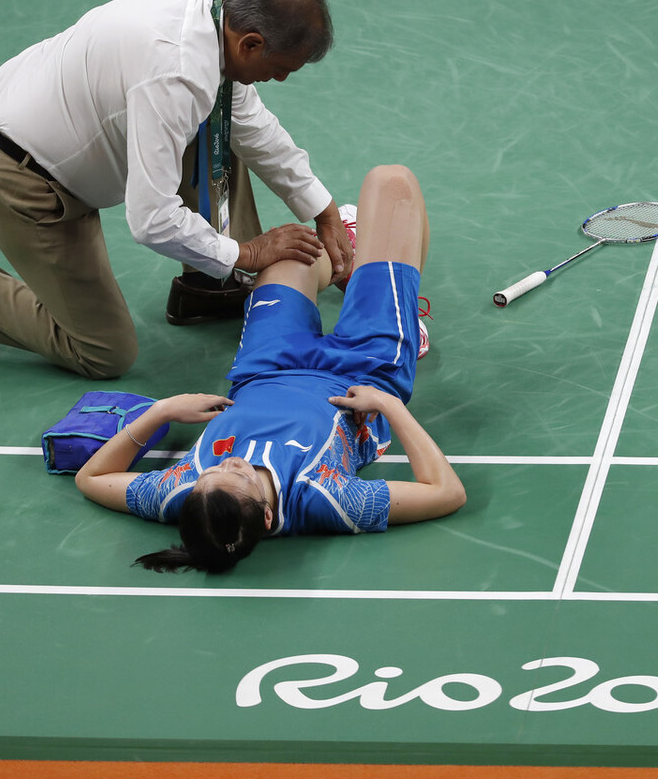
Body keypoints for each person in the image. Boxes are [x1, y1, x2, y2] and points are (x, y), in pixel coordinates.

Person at [0, 0, 354, 379]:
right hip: (18, 173)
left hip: (30, 111)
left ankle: (210, 286)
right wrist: (247, 253)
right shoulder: (175, 74)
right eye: (281, 68)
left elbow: (251, 124)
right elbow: (151, 220)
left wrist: (324, 212)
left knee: (219, 124)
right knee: (103, 351)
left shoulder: (214, 18)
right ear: (251, 43)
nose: (281, 79)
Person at [74, 165, 465, 573]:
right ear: (266, 517)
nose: (228, 463)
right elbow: (446, 492)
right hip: (362, 371)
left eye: (211, 471)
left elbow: (91, 479)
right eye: (239, 475)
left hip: (265, 365)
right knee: (392, 182)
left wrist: (162, 411)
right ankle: (398, 310)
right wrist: (388, 405)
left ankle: (350, 260)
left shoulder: (189, 494)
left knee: (294, 250)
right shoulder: (326, 500)